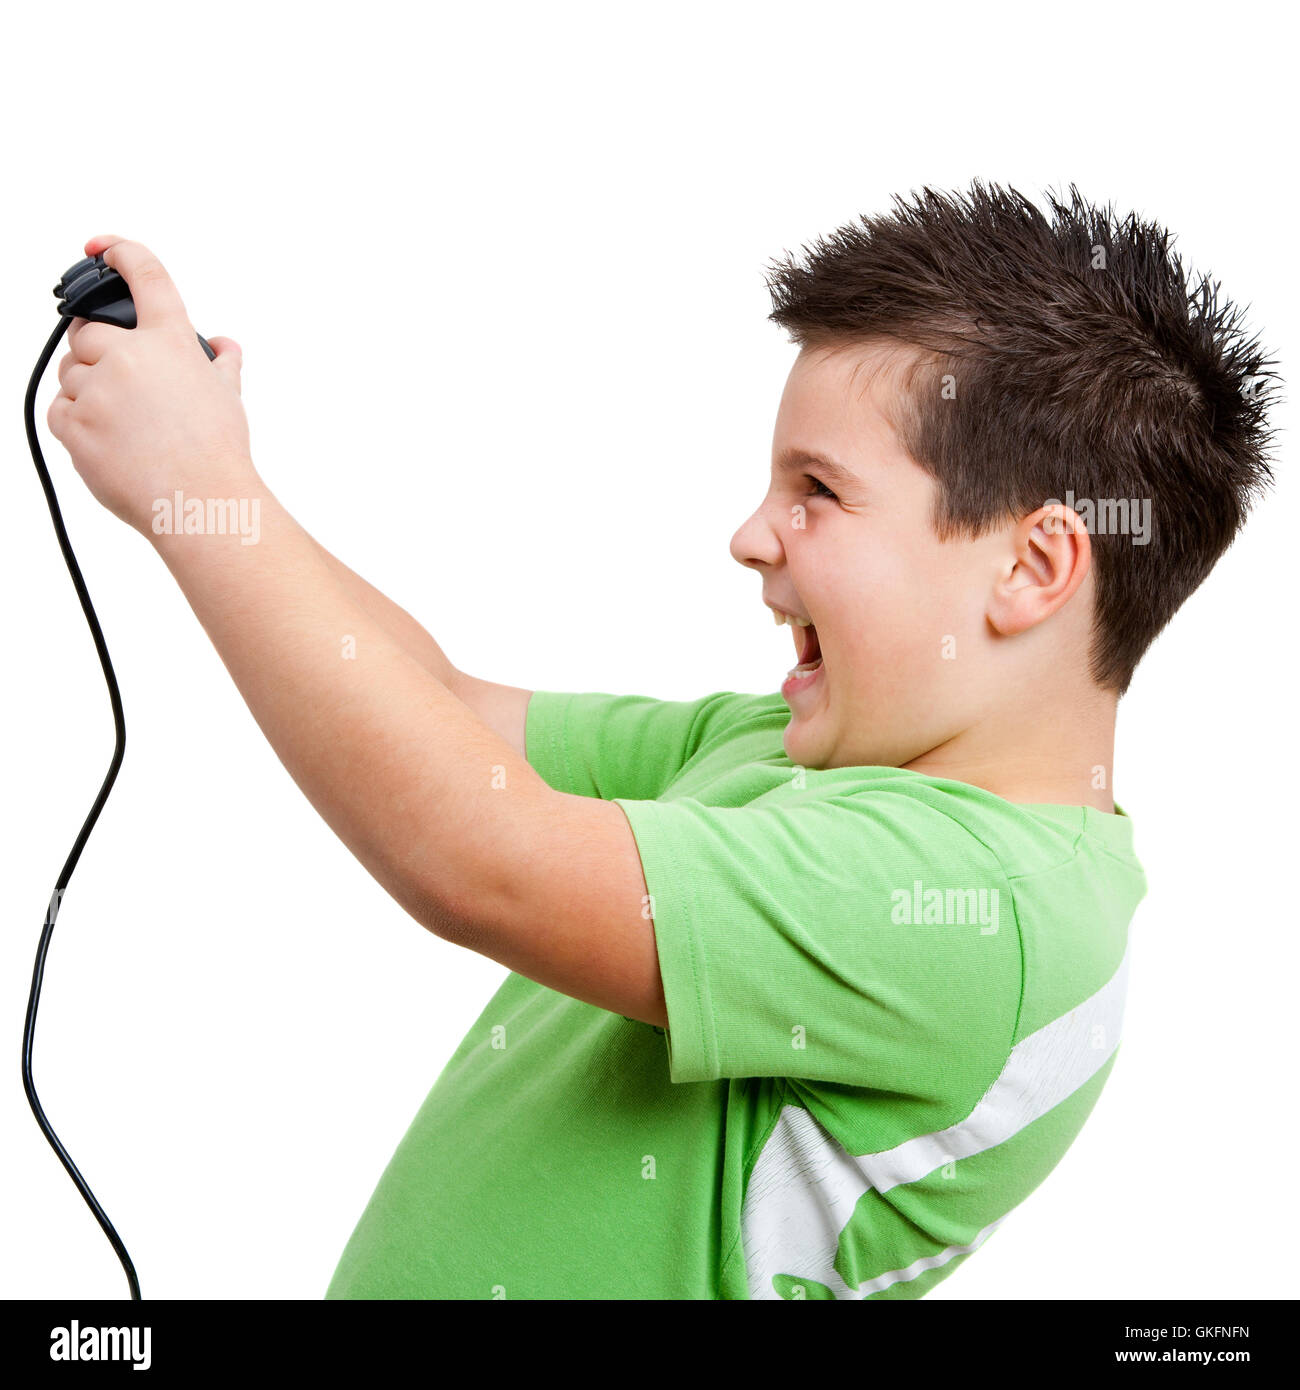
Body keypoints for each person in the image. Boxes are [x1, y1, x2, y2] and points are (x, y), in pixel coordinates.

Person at [47, 182, 1278, 1299]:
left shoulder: (982, 913)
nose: (750, 534)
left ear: (1032, 565)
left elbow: (483, 858)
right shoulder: (800, 755)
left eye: (818, 491)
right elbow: (451, 712)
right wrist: (213, 473)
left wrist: (199, 496)